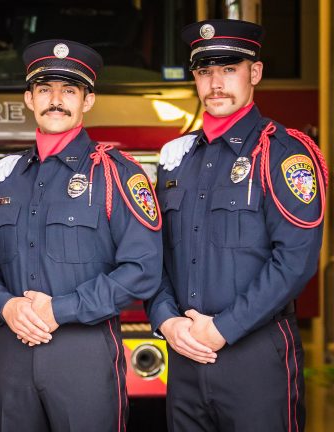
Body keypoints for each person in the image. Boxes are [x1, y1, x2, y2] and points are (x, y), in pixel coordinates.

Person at [0, 39, 163, 431]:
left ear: (87, 100)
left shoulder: (117, 175)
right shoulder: (2, 178)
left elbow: (142, 268)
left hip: (84, 353)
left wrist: (61, 309)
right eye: (44, 89)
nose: (56, 100)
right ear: (29, 98)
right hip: (13, 353)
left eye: (68, 90)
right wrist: (6, 305)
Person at [148, 19, 326, 431]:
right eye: (205, 71)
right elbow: (155, 253)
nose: (216, 83)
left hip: (256, 359)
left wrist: (223, 329)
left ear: (255, 73)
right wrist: (166, 320)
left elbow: (295, 259)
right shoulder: (178, 160)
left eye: (229, 69)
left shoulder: (283, 153)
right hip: (185, 356)